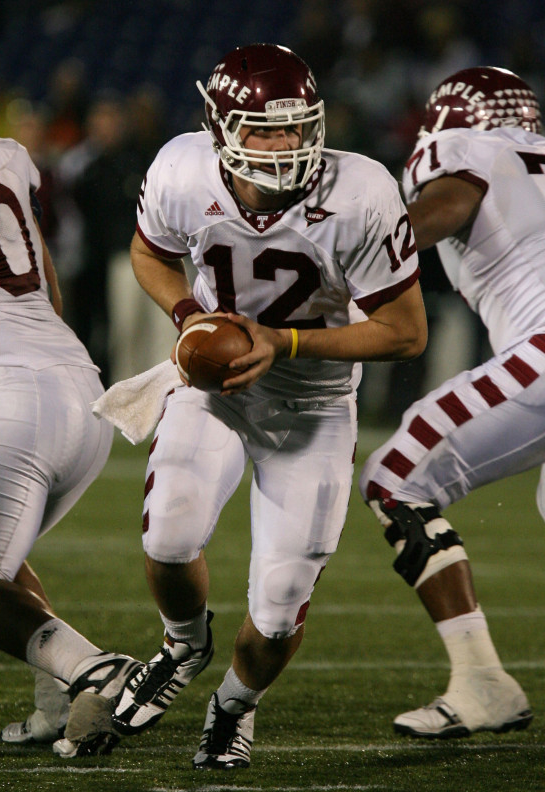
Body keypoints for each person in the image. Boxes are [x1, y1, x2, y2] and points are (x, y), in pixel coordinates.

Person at [71, 43, 427, 767]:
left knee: (277, 606)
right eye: (263, 129)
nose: (284, 143)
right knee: (168, 537)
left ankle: (234, 706)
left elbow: (405, 333)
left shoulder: (359, 192)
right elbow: (150, 253)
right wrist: (187, 320)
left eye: (295, 127)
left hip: (314, 404)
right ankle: (182, 647)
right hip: (214, 391)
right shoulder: (181, 170)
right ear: (220, 126)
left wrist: (284, 343)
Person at [0, 96, 143, 757]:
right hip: (76, 388)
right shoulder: (7, 159)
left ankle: (99, 673)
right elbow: (48, 291)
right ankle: (56, 702)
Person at [359, 66, 545, 738]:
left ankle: (481, 682)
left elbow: (452, 199)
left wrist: (362, 255)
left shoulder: (464, 148)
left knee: (397, 476)